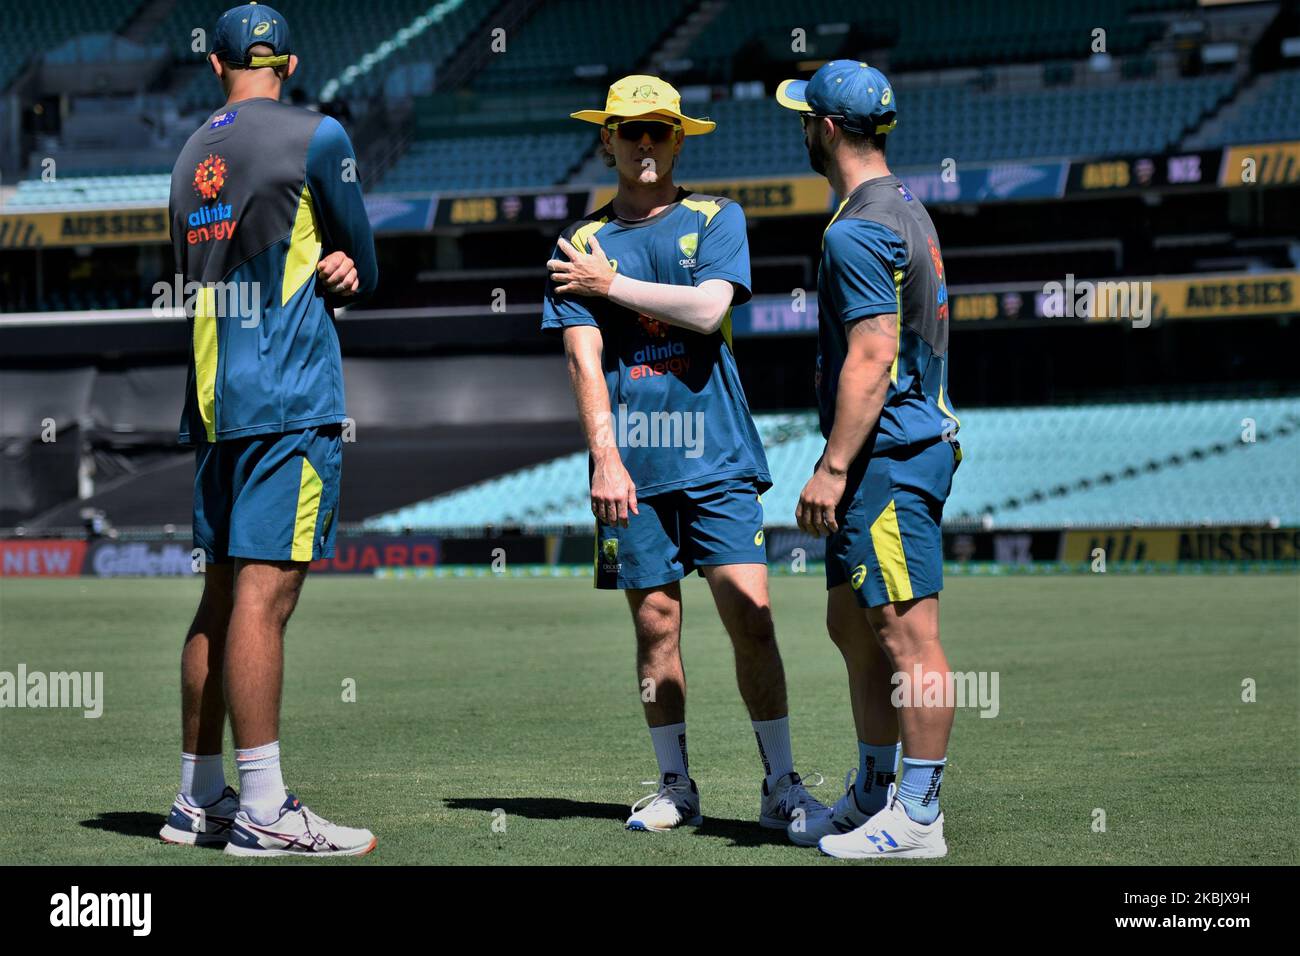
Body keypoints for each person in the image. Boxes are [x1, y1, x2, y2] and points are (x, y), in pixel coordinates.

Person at [543, 75, 824, 833]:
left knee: (752, 615)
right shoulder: (582, 243)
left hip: (718, 457)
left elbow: (708, 310)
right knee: (656, 626)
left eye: (657, 131)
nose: (642, 143)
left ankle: (782, 786)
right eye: (629, 130)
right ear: (604, 139)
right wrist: (605, 458)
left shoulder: (716, 216)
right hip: (633, 466)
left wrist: (612, 284)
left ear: (677, 139)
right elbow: (582, 357)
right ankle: (676, 786)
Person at [158, 2, 379, 858]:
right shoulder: (319, 134)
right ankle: (262, 807)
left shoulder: (185, 158)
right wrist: (344, 267)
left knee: (219, 594)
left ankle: (197, 800)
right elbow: (363, 263)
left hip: (214, 399)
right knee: (266, 597)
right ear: (288, 64)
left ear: (214, 66)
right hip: (289, 397)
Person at [775, 61, 961, 858]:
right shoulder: (904, 207)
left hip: (889, 455)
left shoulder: (857, 226)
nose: (800, 128)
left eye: (803, 117)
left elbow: (873, 352)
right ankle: (872, 794)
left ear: (823, 128)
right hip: (897, 449)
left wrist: (833, 466)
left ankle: (918, 815)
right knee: (851, 622)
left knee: (904, 633)